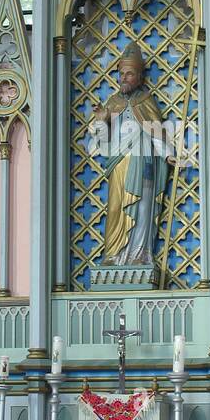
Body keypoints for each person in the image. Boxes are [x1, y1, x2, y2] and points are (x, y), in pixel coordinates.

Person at [89, 41, 170, 266]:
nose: (124, 78)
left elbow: (156, 133)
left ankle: (139, 255)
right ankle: (114, 255)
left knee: (143, 207)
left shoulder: (146, 102)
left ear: (140, 78)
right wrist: (101, 120)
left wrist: (167, 154)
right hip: (119, 163)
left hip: (143, 162)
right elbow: (102, 141)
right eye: (121, 74)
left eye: (130, 74)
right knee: (115, 206)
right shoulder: (112, 102)